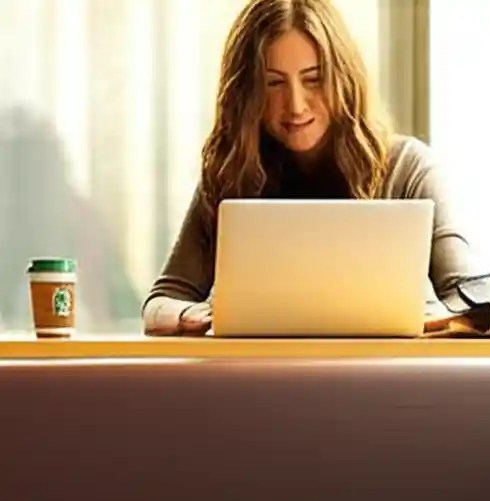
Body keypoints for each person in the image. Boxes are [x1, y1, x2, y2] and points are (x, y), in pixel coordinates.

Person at [143, 0, 472, 336]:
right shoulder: (233, 172)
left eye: (313, 79)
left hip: (383, 380)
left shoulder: (409, 168)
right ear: (247, 92)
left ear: (343, 80)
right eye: (274, 83)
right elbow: (161, 301)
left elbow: (468, 296)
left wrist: (439, 316)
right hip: (262, 380)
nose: (296, 106)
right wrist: (194, 315)